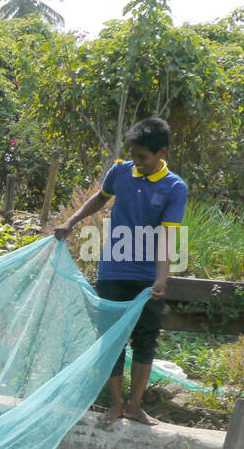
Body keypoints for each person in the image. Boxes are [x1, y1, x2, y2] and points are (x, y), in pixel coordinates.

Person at [54, 117, 187, 428]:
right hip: (113, 270)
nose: (136, 162)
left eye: (143, 157)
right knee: (110, 339)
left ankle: (135, 406)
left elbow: (168, 237)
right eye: (133, 154)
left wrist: (161, 279)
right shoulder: (121, 171)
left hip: (146, 276)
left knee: (145, 340)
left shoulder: (174, 187)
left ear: (161, 153)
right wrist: (71, 222)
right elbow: (101, 197)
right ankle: (115, 405)